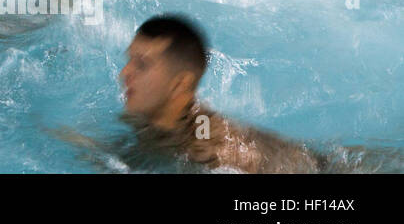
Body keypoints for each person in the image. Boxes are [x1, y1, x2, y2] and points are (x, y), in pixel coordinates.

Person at [119, 15, 325, 173]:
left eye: (142, 65)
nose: (125, 73)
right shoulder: (146, 117)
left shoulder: (213, 151)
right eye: (129, 60)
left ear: (180, 84)